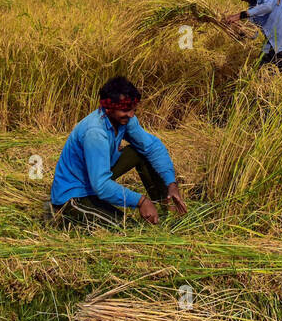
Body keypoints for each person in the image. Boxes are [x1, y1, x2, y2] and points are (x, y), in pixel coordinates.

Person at [45, 75, 188, 228]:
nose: (131, 115)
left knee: (141, 151)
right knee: (128, 229)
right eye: (126, 110)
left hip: (96, 180)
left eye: (133, 110)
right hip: (75, 194)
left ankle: (167, 210)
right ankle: (60, 215)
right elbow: (100, 185)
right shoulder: (95, 133)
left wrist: (171, 184)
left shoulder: (125, 120)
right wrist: (140, 201)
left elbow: (152, 146)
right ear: (108, 107)